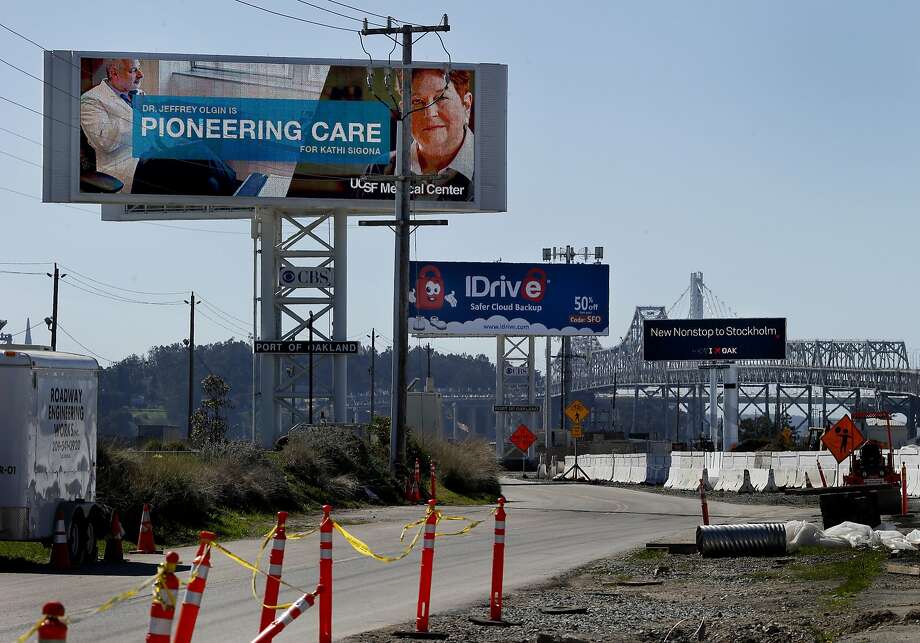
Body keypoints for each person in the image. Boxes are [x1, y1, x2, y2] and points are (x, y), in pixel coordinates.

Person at [80, 58, 144, 192]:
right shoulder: (91, 100)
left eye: (139, 69)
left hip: (149, 157)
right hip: (122, 167)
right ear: (114, 73)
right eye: (134, 70)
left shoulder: (139, 94)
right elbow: (105, 142)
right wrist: (137, 114)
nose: (140, 75)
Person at [408, 68, 473, 186]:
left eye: (441, 98)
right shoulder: (380, 169)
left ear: (466, 105)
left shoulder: (489, 164)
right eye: (417, 101)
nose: (430, 113)